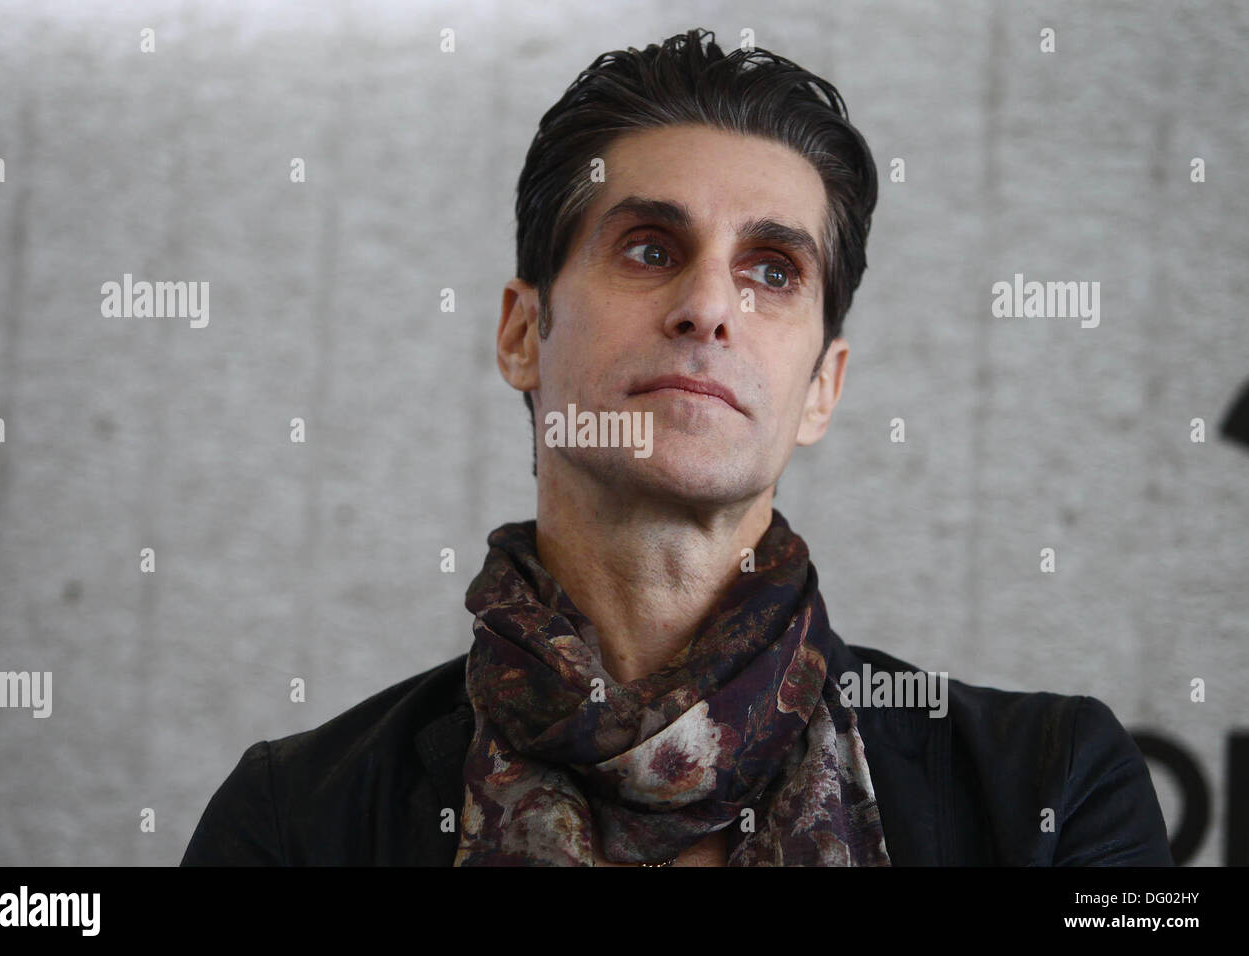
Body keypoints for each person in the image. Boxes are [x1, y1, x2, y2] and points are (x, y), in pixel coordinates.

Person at [181, 28, 1172, 867]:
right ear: (523, 334)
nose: (707, 305)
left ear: (822, 387)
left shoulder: (1052, 792)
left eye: (772, 270)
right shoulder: (295, 820)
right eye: (650, 249)